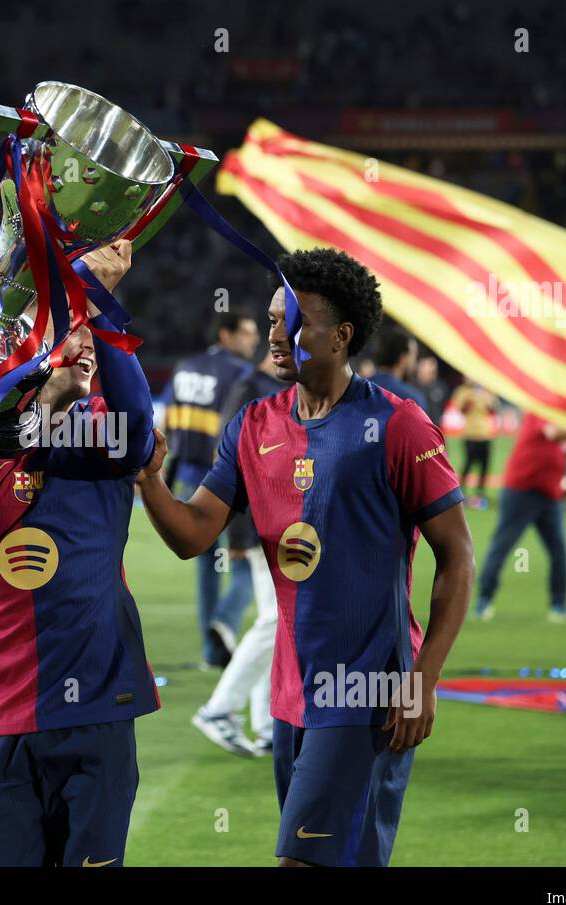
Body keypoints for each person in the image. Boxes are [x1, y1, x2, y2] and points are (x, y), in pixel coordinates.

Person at [137, 248, 475, 866]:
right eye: (270, 318)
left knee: (303, 862)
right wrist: (149, 481)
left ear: (341, 336)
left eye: (292, 319)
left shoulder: (397, 425)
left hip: (369, 689)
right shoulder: (254, 425)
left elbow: (458, 555)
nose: (274, 332)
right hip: (290, 693)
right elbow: (192, 535)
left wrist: (424, 678)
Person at [0, 240, 157, 867]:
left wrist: (101, 303)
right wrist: (18, 411)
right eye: (69, 333)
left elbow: (137, 438)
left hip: (98, 715)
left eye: (89, 335)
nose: (84, 347)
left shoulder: (97, 431)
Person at [191, 343, 286, 757]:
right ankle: (219, 708)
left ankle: (266, 727)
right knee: (278, 621)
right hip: (261, 524)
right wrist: (240, 535)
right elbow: (229, 461)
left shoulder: (269, 385)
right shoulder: (252, 387)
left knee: (277, 621)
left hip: (274, 523)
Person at [159, 313, 259, 667]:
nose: (253, 341)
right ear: (226, 333)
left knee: (207, 561)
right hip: (227, 480)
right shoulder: (240, 374)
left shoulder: (186, 367)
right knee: (247, 559)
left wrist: (167, 477)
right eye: (247, 334)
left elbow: (167, 421)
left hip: (189, 476)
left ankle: (210, 650)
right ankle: (225, 624)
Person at [472, 412, 566, 622]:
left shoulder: (556, 412)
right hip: (522, 491)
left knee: (559, 551)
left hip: (549, 494)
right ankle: (483, 601)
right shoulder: (539, 409)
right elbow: (552, 432)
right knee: (502, 546)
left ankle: (559, 605)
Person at [449, 379, 498, 509]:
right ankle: (461, 494)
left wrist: (483, 396)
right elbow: (462, 410)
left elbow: (492, 409)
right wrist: (472, 398)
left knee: (485, 465)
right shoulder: (462, 391)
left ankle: (480, 493)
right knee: (468, 464)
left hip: (485, 434)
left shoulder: (487, 390)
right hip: (470, 433)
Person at [367, 323, 430, 415]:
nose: (415, 364)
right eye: (413, 356)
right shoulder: (412, 400)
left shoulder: (356, 388)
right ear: (402, 358)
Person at [416, 355, 449, 425]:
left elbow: (445, 408)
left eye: (433, 365)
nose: (432, 369)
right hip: (419, 427)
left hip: (436, 427)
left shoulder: (441, 387)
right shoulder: (412, 387)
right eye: (425, 365)